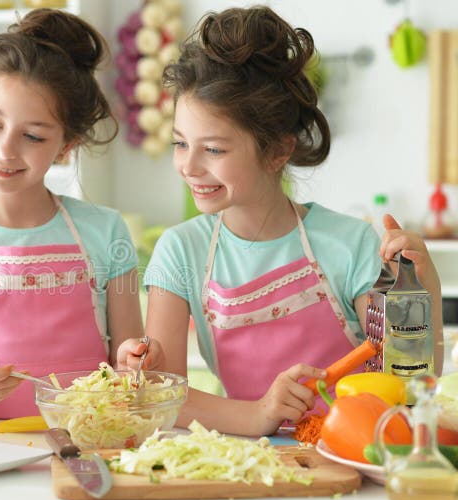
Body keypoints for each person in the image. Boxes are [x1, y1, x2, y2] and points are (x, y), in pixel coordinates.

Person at [117, 5, 443, 437]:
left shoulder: (350, 244)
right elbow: (165, 395)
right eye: (181, 143)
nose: (188, 167)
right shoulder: (180, 251)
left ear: (278, 150)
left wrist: (425, 290)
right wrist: (257, 413)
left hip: (354, 451)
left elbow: (410, 382)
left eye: (213, 150)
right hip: (246, 461)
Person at [0, 9, 143, 420]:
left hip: (88, 444)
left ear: (67, 145)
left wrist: (134, 364)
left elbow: (130, 363)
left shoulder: (107, 233)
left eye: (33, 135)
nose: (4, 151)